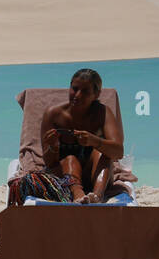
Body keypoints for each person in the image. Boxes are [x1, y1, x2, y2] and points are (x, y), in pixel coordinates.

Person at [9, 68, 124, 205]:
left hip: (94, 176)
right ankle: (78, 194)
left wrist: (95, 141)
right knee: (70, 159)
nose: (77, 95)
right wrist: (52, 146)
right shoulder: (54, 114)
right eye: (74, 89)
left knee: (101, 152)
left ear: (96, 94)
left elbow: (118, 152)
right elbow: (50, 163)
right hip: (64, 177)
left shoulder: (103, 113)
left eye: (85, 91)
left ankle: (97, 196)